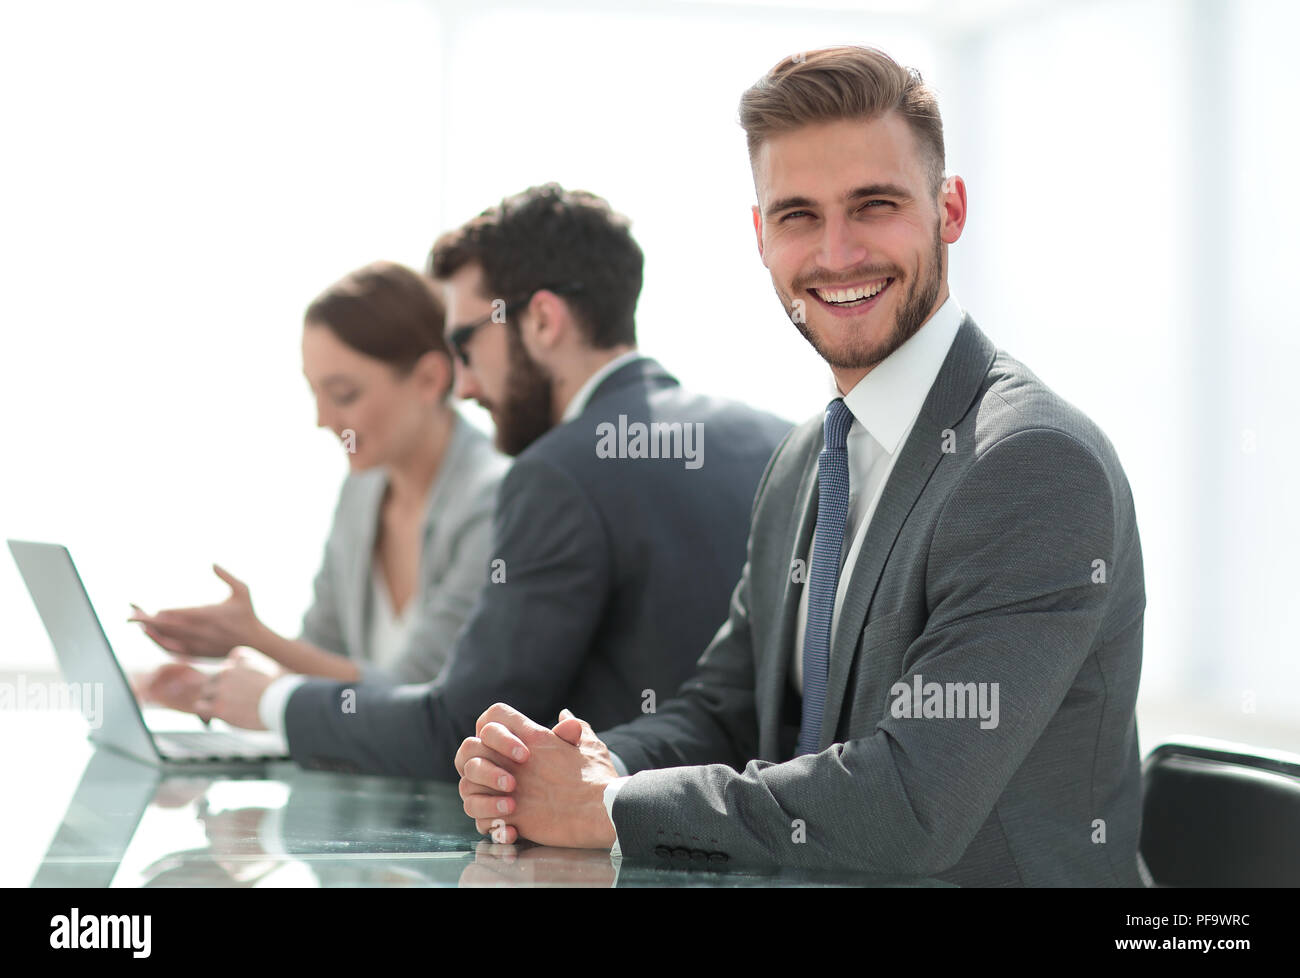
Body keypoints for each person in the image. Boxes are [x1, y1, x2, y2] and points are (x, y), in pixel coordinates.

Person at [452, 47, 1147, 888]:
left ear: (949, 209)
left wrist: (610, 807)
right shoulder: (806, 460)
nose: (838, 252)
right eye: (798, 216)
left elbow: (909, 805)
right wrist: (564, 769)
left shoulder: (1030, 464)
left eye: (875, 205)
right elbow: (727, 707)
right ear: (760, 237)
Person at [156, 185, 792, 782]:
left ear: (543, 322)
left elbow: (458, 729)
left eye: (466, 345)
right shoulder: (779, 440)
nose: (464, 387)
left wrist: (276, 702)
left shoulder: (554, 474)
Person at [131, 261, 508, 696]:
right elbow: (320, 655)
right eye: (315, 392)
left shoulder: (494, 500)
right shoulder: (361, 493)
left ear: (429, 379)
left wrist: (255, 638)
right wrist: (209, 687)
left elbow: (418, 692)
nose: (323, 419)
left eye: (344, 394)